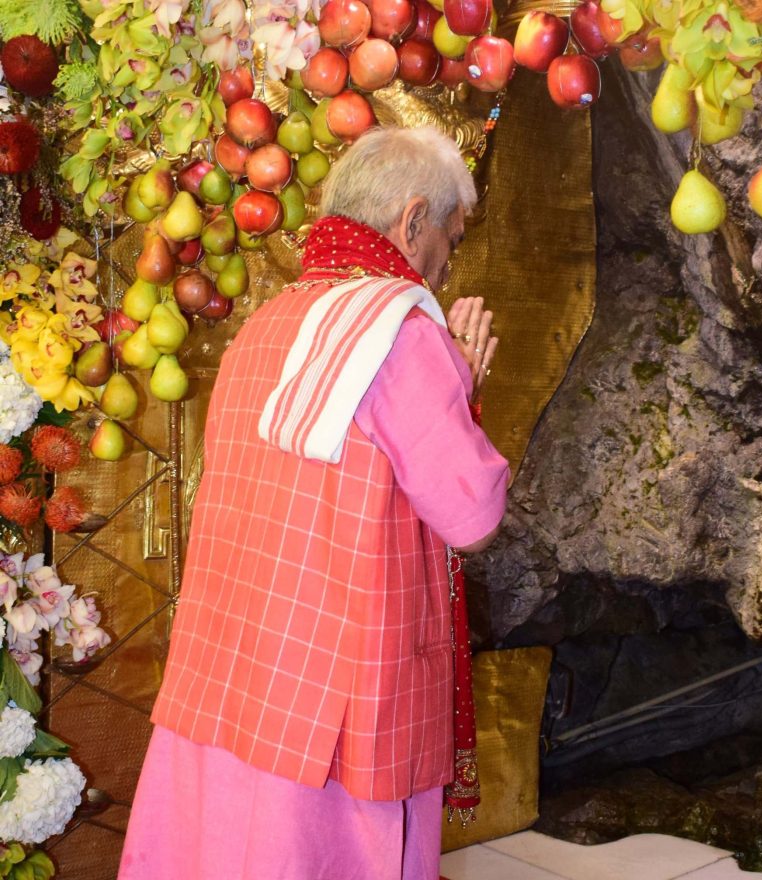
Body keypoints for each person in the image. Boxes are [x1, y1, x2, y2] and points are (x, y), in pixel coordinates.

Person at [118, 126, 510, 880]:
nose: (445, 263)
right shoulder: (400, 329)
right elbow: (471, 515)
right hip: (337, 697)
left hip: (232, 668)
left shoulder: (265, 323)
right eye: (450, 241)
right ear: (413, 221)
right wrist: (463, 390)